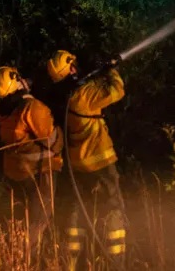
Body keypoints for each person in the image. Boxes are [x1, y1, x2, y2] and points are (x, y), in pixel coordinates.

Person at [46, 49, 127, 269]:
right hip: (99, 162)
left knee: (77, 211)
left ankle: (70, 262)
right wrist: (112, 71)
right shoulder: (83, 95)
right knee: (112, 209)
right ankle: (115, 261)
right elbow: (116, 91)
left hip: (77, 165)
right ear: (71, 68)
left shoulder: (65, 96)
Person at [0, 65, 64, 257]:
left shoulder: (6, 113)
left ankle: (13, 258)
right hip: (41, 173)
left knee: (21, 221)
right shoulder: (32, 108)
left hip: (18, 176)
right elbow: (52, 141)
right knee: (38, 222)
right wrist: (59, 127)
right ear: (15, 81)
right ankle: (28, 260)